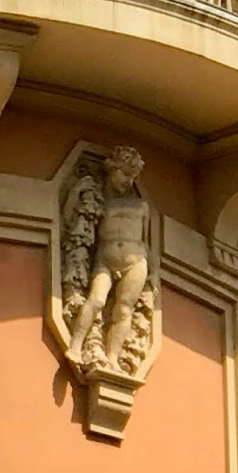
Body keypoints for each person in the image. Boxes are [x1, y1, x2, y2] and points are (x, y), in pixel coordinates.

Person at [64, 146, 153, 368]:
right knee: (96, 300)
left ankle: (112, 358)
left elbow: (145, 241)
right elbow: (70, 222)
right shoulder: (98, 199)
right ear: (111, 169)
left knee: (124, 309)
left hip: (136, 263)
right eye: (124, 174)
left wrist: (155, 273)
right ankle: (76, 346)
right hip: (105, 259)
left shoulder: (141, 206)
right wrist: (75, 193)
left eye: (133, 177)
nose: (129, 182)